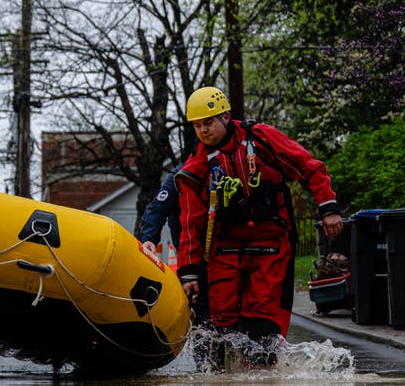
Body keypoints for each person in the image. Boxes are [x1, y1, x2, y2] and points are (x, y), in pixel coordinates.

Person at [175, 87, 344, 367]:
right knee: (221, 325)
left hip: (270, 244)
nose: (203, 130)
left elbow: (309, 166)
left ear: (226, 117)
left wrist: (328, 206)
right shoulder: (195, 169)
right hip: (225, 250)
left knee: (262, 321)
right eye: (197, 125)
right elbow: (190, 223)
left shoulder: (262, 138)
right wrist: (188, 272)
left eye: (208, 122)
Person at [137, 160, 210, 323]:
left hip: (224, 256)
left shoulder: (232, 165)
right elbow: (157, 208)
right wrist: (149, 238)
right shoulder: (182, 174)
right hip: (192, 258)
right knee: (200, 311)